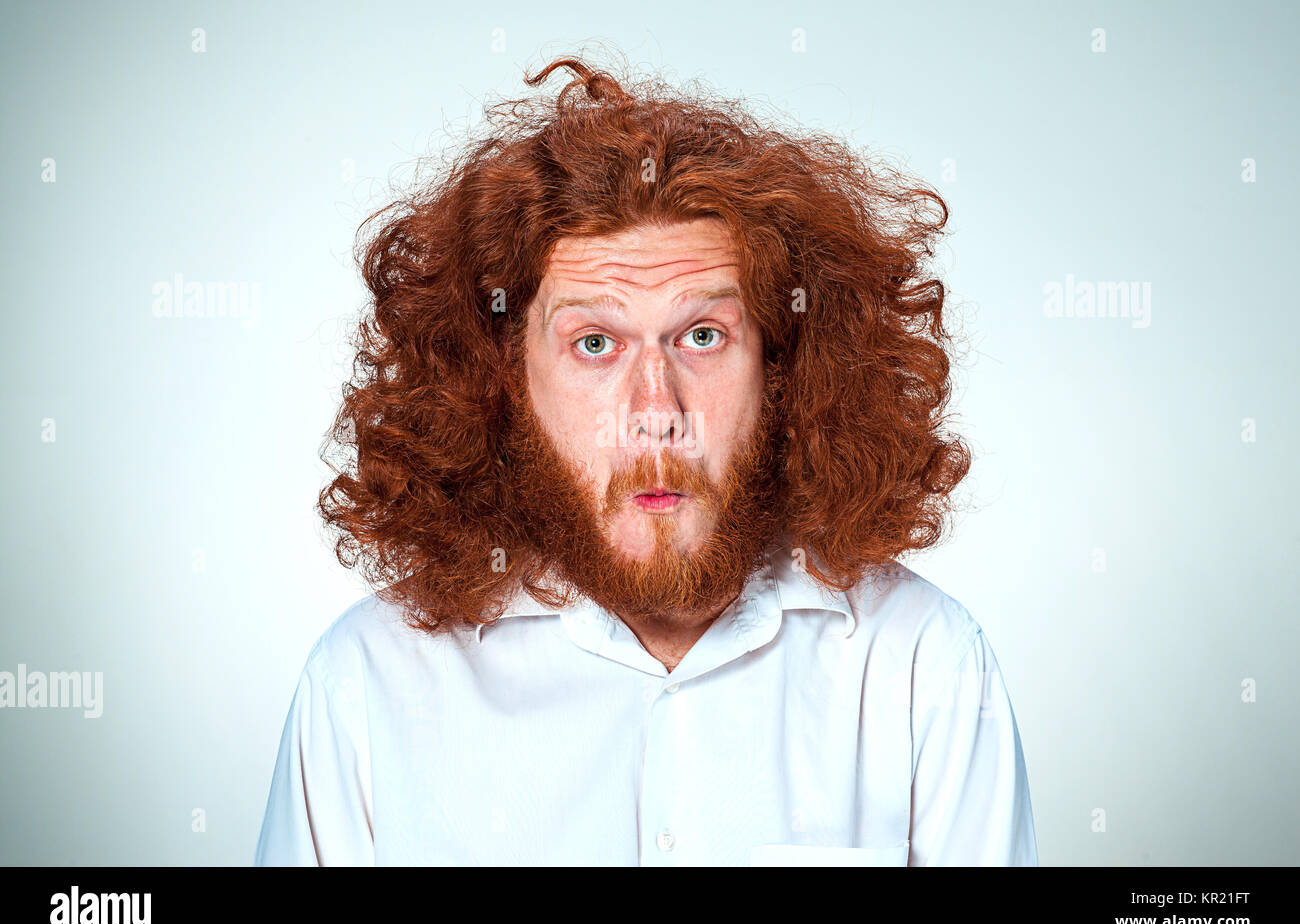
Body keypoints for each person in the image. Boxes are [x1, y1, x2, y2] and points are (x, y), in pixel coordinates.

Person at [254, 55, 1038, 866]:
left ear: (784, 366)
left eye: (703, 336)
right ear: (503, 380)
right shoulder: (366, 685)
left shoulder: (921, 664)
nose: (656, 415)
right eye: (594, 344)